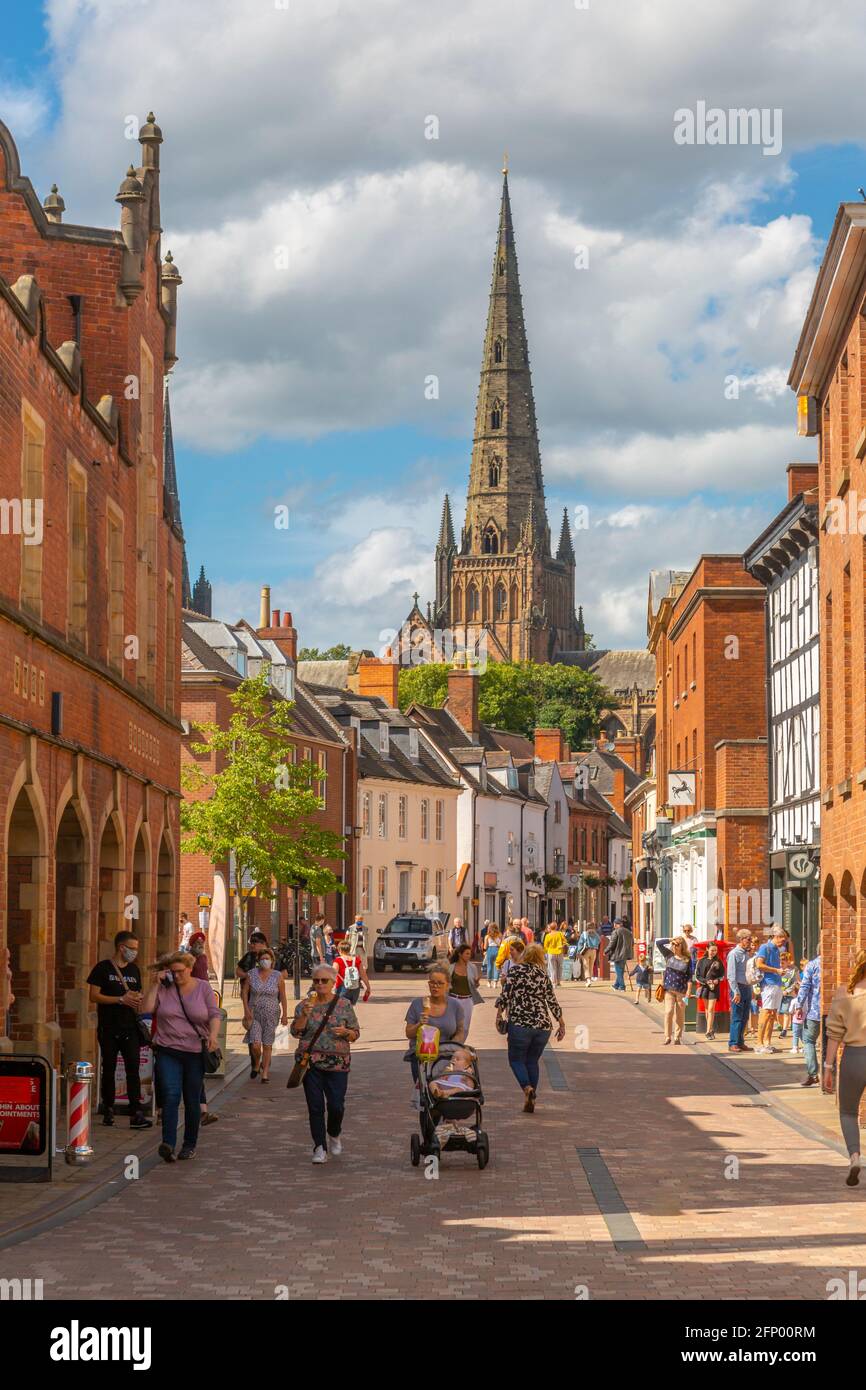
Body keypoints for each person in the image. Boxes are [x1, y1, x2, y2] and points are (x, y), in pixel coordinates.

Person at [142, 951, 221, 1162]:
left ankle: (189, 1144)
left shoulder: (202, 987)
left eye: (180, 972)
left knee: (192, 1099)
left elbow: (214, 1014)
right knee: (170, 1094)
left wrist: (213, 1036)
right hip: (168, 1049)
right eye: (172, 972)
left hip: (195, 1052)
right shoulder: (165, 988)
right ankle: (168, 1143)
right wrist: (156, 984)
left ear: (189, 969)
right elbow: (146, 1009)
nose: (176, 976)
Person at [291, 965, 360, 1164]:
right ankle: (319, 1147)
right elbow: (296, 1032)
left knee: (336, 1106)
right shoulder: (304, 1005)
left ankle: (334, 1133)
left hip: (338, 1063)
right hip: (310, 1063)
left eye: (324, 981)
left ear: (333, 982)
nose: (320, 984)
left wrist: (346, 1033)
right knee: (315, 1106)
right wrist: (304, 1015)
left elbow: (355, 1033)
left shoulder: (344, 1005)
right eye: (316, 981)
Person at [87, 931, 152, 1130]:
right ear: (121, 947)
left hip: (130, 1026)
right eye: (131, 949)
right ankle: (108, 1107)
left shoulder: (134, 970)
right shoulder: (102, 968)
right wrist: (120, 999)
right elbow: (94, 996)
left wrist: (136, 998)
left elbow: (138, 993)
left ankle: (136, 1111)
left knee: (133, 1068)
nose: (134, 952)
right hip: (109, 1027)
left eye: (136, 949)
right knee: (109, 1067)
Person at [496, 943, 565, 1113]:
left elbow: (505, 995)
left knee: (516, 1060)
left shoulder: (515, 971)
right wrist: (561, 1022)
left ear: (525, 955)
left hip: (520, 1023)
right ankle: (531, 1097)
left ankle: (527, 1088)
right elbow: (552, 1001)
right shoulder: (542, 974)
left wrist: (499, 1014)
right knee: (532, 1061)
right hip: (542, 1026)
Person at [822, 949, 866, 1186]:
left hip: (854, 1057)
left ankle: (854, 1157)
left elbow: (834, 1034)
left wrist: (828, 1067)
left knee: (848, 1112)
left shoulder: (844, 993)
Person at [404, 967, 465, 1102]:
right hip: (421, 1056)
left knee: (445, 1093)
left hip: (446, 1057)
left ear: (448, 985)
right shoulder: (418, 1004)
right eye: (432, 983)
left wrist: (453, 1047)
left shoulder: (455, 1005)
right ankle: (429, 1118)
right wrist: (419, 1025)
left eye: (439, 983)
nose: (435, 986)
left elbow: (460, 1031)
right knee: (427, 1095)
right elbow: (408, 1033)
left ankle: (447, 1117)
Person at [241, 945, 288, 1083]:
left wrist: (285, 1014)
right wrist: (246, 1010)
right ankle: (256, 1063)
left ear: (272, 961)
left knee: (267, 1044)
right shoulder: (251, 974)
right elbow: (245, 992)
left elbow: (283, 996)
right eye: (262, 959)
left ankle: (265, 1072)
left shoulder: (277, 976)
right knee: (255, 1044)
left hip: (272, 1013)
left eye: (267, 958)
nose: (264, 961)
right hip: (254, 1013)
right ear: (258, 961)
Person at [755, 924, 788, 1054]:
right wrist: (776, 970)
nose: (784, 941)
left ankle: (767, 1043)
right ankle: (759, 1043)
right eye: (782, 938)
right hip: (768, 984)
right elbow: (759, 964)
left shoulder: (776, 949)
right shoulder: (765, 947)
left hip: (776, 983)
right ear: (776, 936)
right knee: (766, 1012)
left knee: (773, 1013)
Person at [657, 936, 693, 1044]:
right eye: (673, 944)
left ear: (682, 946)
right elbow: (658, 943)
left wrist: (688, 992)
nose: (674, 946)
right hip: (669, 989)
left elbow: (690, 977)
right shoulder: (669, 955)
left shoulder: (687, 960)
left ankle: (677, 1036)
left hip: (682, 991)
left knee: (680, 1014)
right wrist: (670, 939)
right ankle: (667, 1036)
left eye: (677, 944)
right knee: (668, 1012)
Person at [727, 928, 754, 1053]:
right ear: (741, 940)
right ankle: (733, 1043)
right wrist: (736, 991)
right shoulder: (734, 954)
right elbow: (731, 975)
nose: (750, 941)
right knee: (737, 1017)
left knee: (744, 1017)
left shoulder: (746, 953)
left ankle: (740, 1041)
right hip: (737, 988)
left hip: (747, 986)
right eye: (748, 939)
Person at [795, 954, 821, 1086]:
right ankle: (831, 1073)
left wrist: (799, 1006)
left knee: (809, 1041)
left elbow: (804, 987)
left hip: (814, 1011)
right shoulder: (837, 961)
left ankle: (813, 1074)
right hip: (835, 1011)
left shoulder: (812, 965)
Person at [448, 943, 483, 1040]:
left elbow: (475, 986)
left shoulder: (472, 967)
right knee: (452, 1025)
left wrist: (476, 983)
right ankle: (451, 1044)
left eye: (470, 953)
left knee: (465, 1026)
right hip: (453, 999)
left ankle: (460, 1045)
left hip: (467, 1000)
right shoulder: (451, 967)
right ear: (460, 954)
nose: (469, 955)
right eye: (467, 953)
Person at [695, 941, 725, 1040]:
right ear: (707, 949)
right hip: (704, 987)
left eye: (715, 950)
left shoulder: (718, 962)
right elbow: (697, 976)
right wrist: (706, 981)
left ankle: (708, 1031)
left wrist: (717, 980)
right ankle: (710, 1029)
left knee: (711, 1008)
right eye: (712, 950)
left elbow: (722, 975)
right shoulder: (701, 961)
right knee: (707, 1009)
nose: (713, 952)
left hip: (714, 988)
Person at [333, 938, 370, 1004]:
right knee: (349, 1009)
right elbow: (363, 975)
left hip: (342, 988)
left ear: (340, 950)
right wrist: (368, 987)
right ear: (349, 950)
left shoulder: (338, 961)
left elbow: (332, 975)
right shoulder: (357, 960)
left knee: (340, 1010)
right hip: (355, 988)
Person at [605, 918, 634, 992]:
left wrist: (606, 951)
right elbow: (632, 943)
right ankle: (616, 985)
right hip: (625, 954)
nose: (614, 925)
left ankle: (622, 986)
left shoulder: (616, 932)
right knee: (620, 971)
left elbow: (612, 944)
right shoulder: (628, 932)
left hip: (617, 954)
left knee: (618, 971)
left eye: (614, 924)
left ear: (616, 924)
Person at [778, 952, 800, 1040]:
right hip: (778, 994)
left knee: (786, 1012)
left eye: (783, 962)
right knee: (779, 1013)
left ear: (788, 961)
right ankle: (782, 1025)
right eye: (780, 962)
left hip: (789, 994)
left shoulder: (793, 970)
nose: (781, 964)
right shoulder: (778, 970)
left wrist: (787, 991)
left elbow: (795, 982)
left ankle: (784, 1030)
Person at [542, 919, 568, 986]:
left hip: (551, 953)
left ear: (550, 928)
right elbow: (565, 942)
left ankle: (554, 982)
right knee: (560, 967)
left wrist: (546, 952)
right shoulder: (560, 934)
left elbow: (545, 946)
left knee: (552, 968)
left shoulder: (548, 936)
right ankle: (558, 981)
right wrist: (562, 946)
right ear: (556, 927)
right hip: (559, 952)